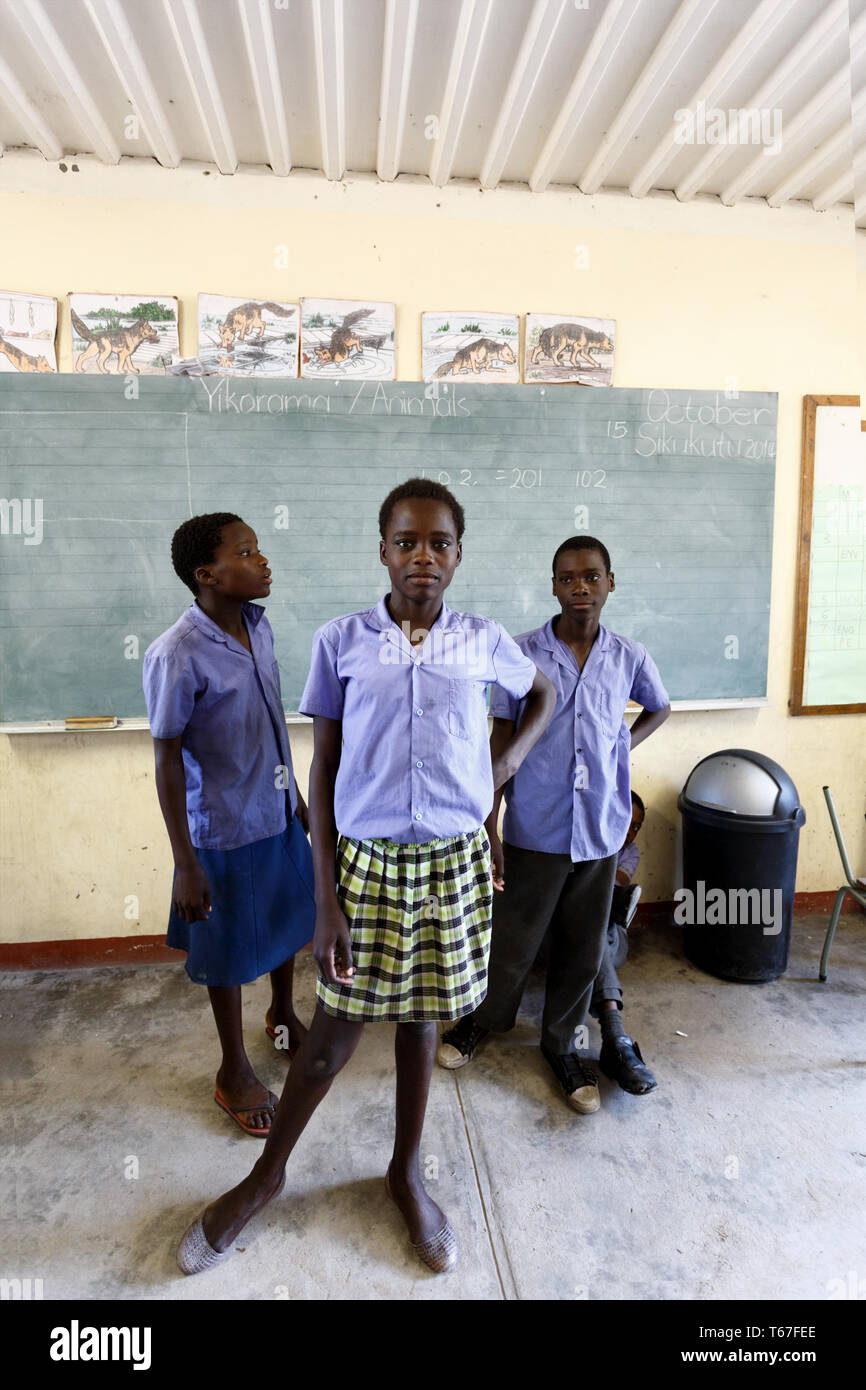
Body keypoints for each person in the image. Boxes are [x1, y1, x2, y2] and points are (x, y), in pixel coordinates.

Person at [176, 478, 556, 1275]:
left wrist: (505, 765)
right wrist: (325, 897)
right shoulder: (341, 640)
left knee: (423, 1022)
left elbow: (542, 695)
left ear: (458, 554)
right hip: (367, 862)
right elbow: (324, 771)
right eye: (406, 541)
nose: (423, 556)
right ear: (382, 550)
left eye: (440, 542)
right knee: (333, 1034)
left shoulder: (484, 640)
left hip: (451, 863)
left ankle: (405, 1172)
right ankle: (266, 1177)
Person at [437, 536, 670, 1114]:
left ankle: (563, 1047)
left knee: (583, 947)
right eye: (567, 578)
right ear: (554, 586)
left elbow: (659, 707)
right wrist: (490, 825)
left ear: (610, 583)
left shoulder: (629, 656)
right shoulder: (521, 653)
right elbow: (499, 742)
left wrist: (623, 746)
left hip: (600, 829)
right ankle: (483, 1022)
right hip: (535, 826)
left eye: (591, 577)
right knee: (514, 942)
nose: (580, 588)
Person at [143, 513, 315, 1138]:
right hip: (221, 829)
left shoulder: (256, 628)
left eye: (259, 548)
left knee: (286, 920)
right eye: (247, 551)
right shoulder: (177, 654)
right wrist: (187, 862)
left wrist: (293, 791)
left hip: (274, 812)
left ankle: (282, 1013)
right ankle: (233, 1069)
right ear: (207, 574)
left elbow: (271, 721)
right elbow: (164, 760)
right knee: (228, 950)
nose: (263, 559)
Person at [591, 790, 657, 1094]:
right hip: (586, 934)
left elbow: (617, 879)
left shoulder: (630, 853)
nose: (630, 832)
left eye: (636, 827)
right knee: (592, 932)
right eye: (626, 822)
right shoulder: (586, 837)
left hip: (615, 939)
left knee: (599, 925)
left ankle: (612, 911)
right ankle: (617, 1041)